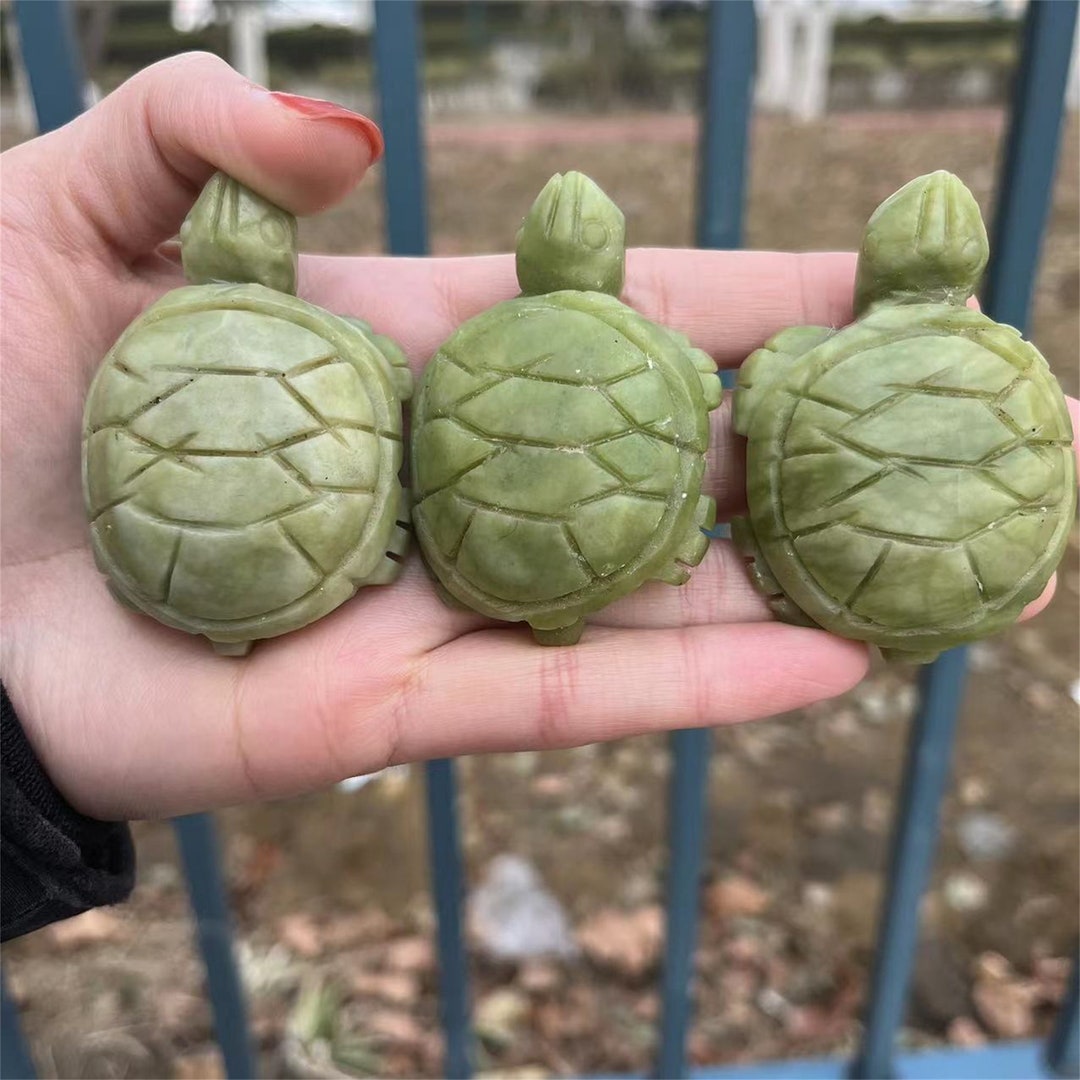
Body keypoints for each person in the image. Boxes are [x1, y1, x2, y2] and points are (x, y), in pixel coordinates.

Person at [1, 54, 1072, 941]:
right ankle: (906, 615)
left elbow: (405, 403)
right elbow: (742, 398)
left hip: (218, 567)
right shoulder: (968, 362)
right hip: (778, 540)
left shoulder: (404, 353)